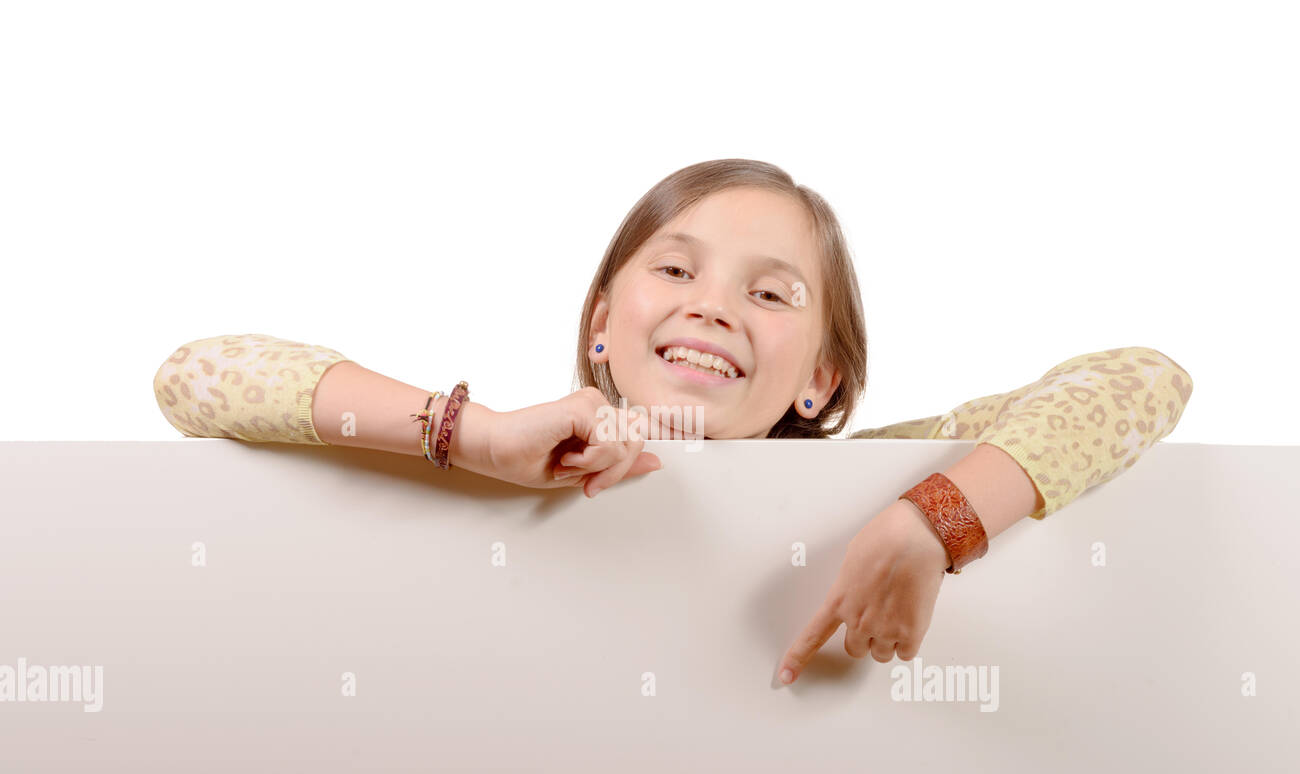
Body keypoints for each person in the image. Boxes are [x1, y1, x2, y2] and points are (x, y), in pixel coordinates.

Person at [153, 159, 1194, 683]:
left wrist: (929, 521)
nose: (712, 305)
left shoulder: (878, 472)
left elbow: (1143, 376)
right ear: (604, 322)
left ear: (820, 384)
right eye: (676, 269)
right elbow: (192, 377)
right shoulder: (501, 457)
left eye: (771, 294)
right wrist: (471, 436)